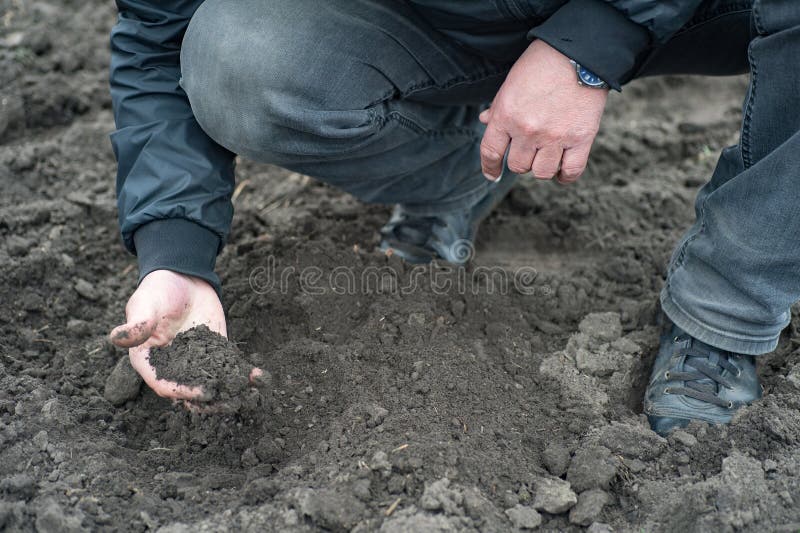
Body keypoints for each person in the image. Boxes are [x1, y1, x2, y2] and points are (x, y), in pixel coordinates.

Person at [107, 0, 795, 435]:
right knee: (238, 56)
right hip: (443, 22)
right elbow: (158, 34)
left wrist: (593, 38)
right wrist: (174, 252)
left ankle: (726, 306)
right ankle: (475, 162)